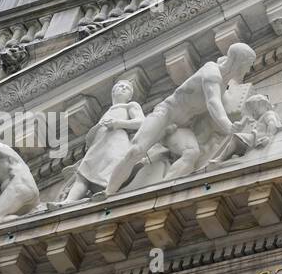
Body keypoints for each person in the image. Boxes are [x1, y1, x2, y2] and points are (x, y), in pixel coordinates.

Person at [104, 43, 256, 195]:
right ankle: (108, 192)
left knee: (192, 153)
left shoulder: (223, 79)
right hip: (165, 115)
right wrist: (228, 126)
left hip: (181, 126)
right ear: (238, 62)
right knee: (136, 151)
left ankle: (160, 192)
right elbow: (213, 103)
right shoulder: (212, 73)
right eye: (247, 65)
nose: (248, 70)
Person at [61, 80, 144, 204]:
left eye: (127, 88)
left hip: (116, 142)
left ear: (130, 96)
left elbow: (142, 122)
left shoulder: (130, 106)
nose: (123, 88)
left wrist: (118, 123)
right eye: (120, 86)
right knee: (83, 174)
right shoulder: (110, 110)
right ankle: (68, 201)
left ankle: (108, 192)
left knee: (112, 167)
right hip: (98, 145)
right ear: (113, 91)